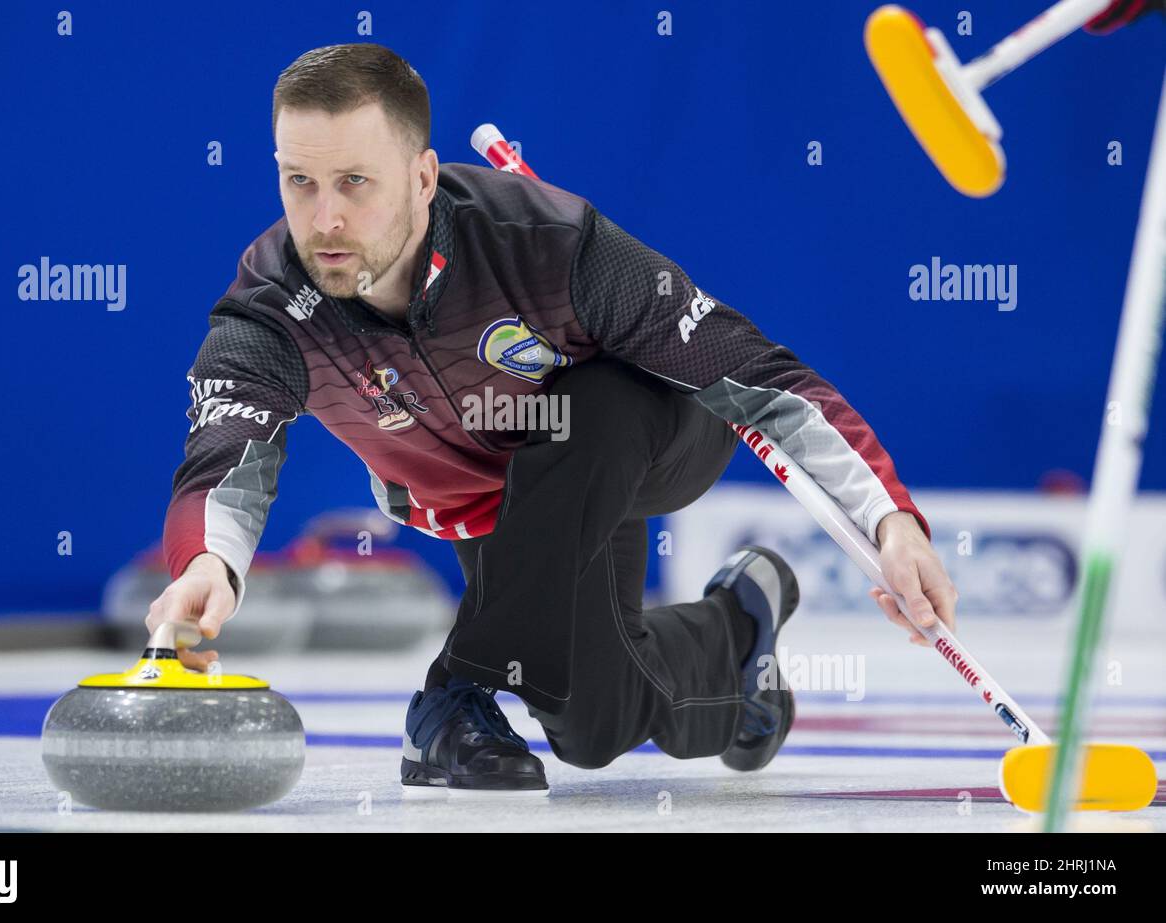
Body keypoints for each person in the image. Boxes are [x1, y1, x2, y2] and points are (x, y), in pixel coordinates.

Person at [152, 43, 957, 794]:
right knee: (586, 722)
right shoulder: (270, 313)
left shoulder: (547, 244)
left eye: (355, 183)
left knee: (585, 410)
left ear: (423, 177)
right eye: (300, 181)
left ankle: (453, 691)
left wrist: (888, 520)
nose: (324, 220)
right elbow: (225, 454)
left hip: (641, 437)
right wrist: (207, 566)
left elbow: (755, 372)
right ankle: (738, 631)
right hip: (497, 504)